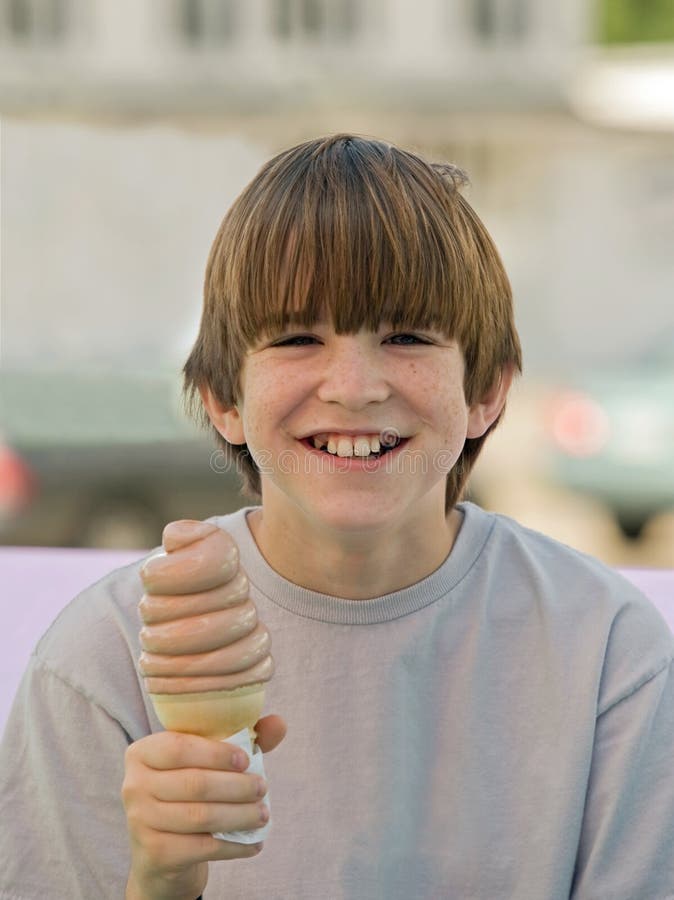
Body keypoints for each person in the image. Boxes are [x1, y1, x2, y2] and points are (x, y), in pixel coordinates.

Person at [1, 134, 673, 900]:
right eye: (296, 338)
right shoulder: (106, 659)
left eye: (407, 336)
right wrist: (158, 881)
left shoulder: (608, 654)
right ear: (223, 399)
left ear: (487, 390)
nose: (354, 388)